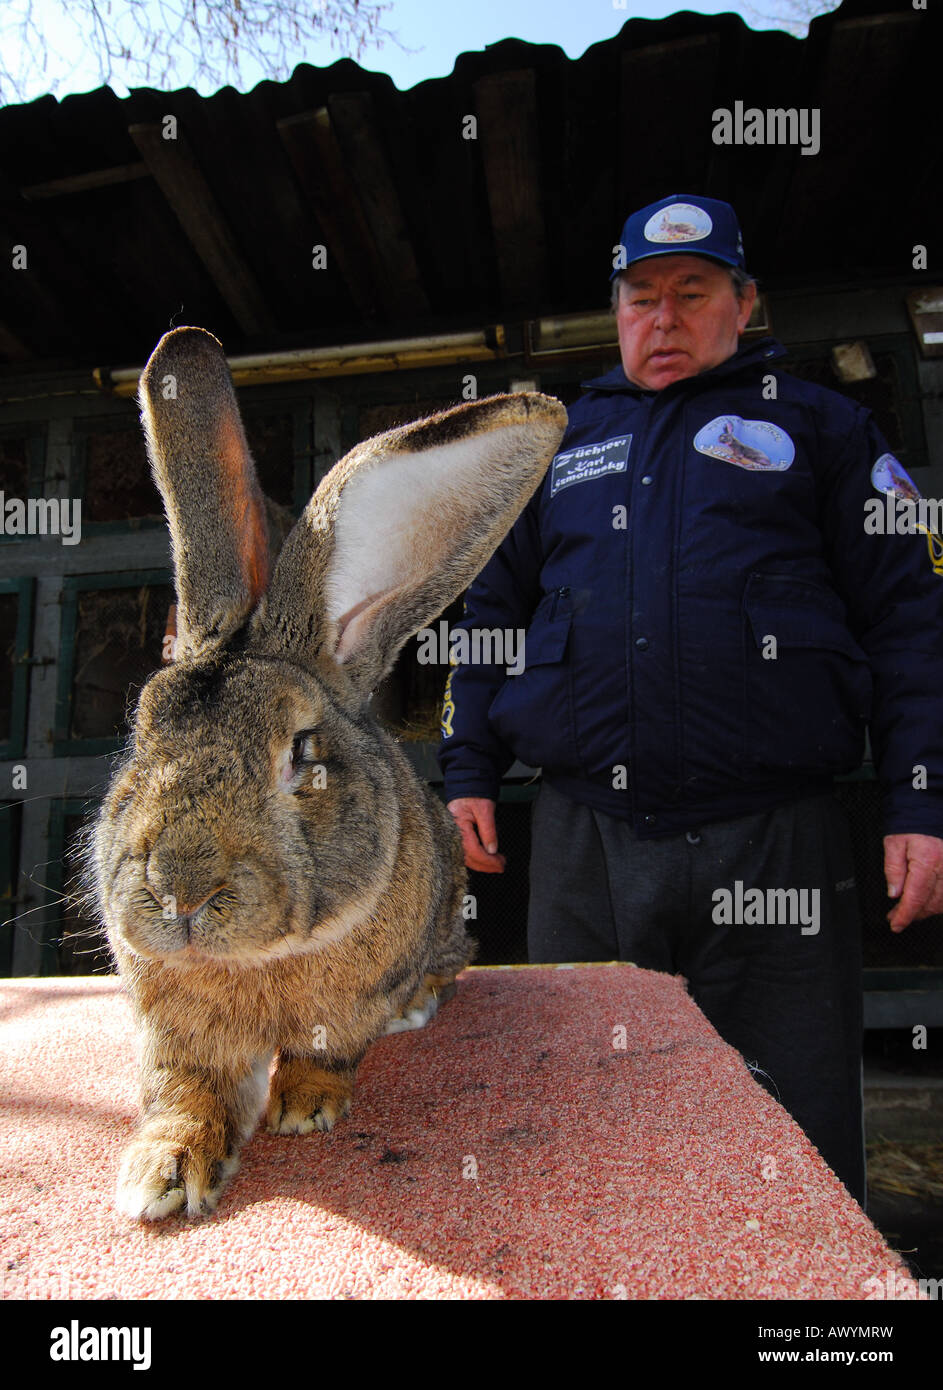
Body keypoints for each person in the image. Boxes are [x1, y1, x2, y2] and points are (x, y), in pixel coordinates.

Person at [438, 193, 943, 1208]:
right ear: (615, 309)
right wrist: (465, 769)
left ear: (743, 304)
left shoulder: (826, 427)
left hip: (774, 842)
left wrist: (919, 801)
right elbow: (486, 609)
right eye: (639, 298)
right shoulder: (555, 443)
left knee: (792, 1139)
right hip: (587, 844)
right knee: (583, 1127)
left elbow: (910, 621)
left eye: (691, 293)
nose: (661, 320)